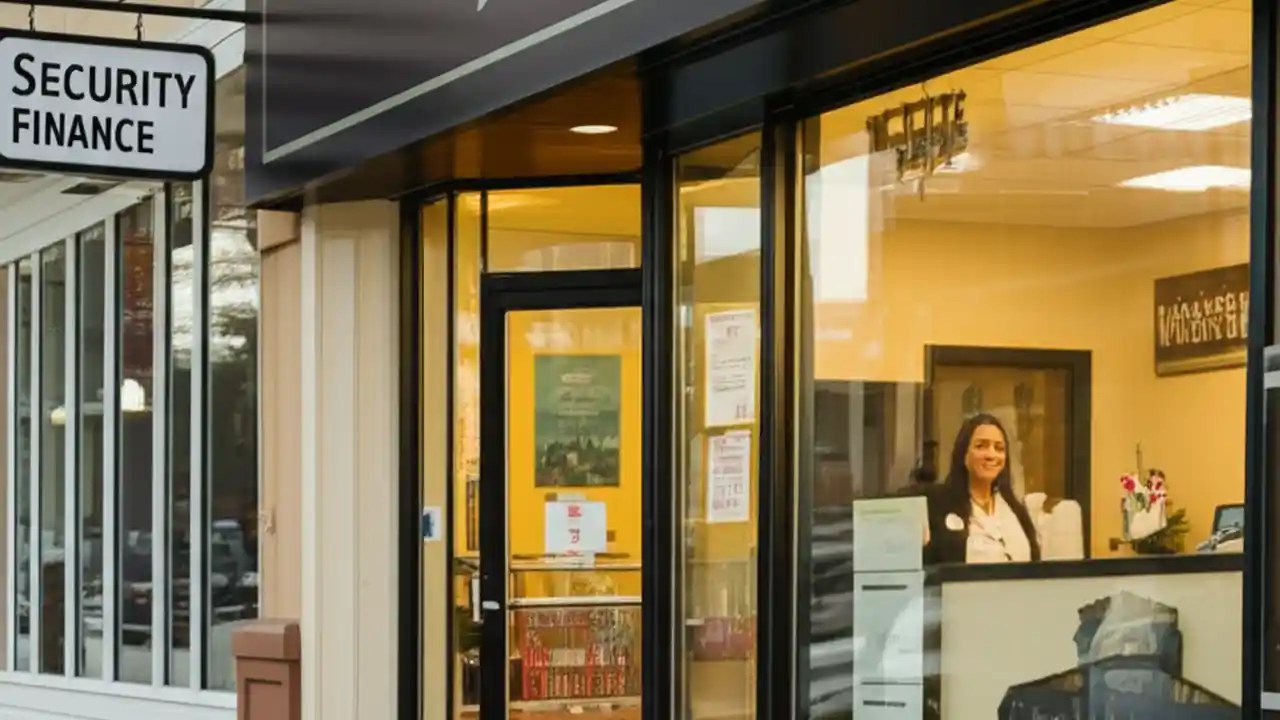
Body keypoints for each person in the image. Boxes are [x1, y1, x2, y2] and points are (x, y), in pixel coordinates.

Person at [925, 413, 1041, 564]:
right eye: (981, 446)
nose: (991, 455)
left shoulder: (1015, 509)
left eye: (999, 448)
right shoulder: (939, 506)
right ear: (964, 454)